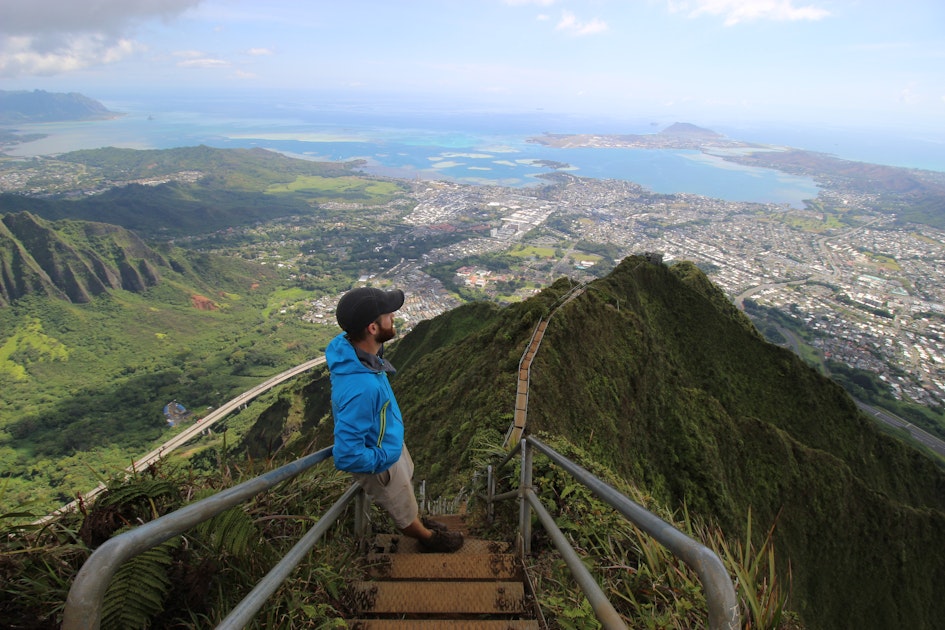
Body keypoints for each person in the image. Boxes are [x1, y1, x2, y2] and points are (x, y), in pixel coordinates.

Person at [326, 286, 463, 553]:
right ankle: (427, 538)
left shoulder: (357, 356)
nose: (393, 318)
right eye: (388, 315)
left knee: (406, 497)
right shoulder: (362, 387)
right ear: (373, 328)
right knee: (401, 509)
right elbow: (346, 455)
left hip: (387, 444)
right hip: (381, 463)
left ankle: (418, 521)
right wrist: (382, 460)